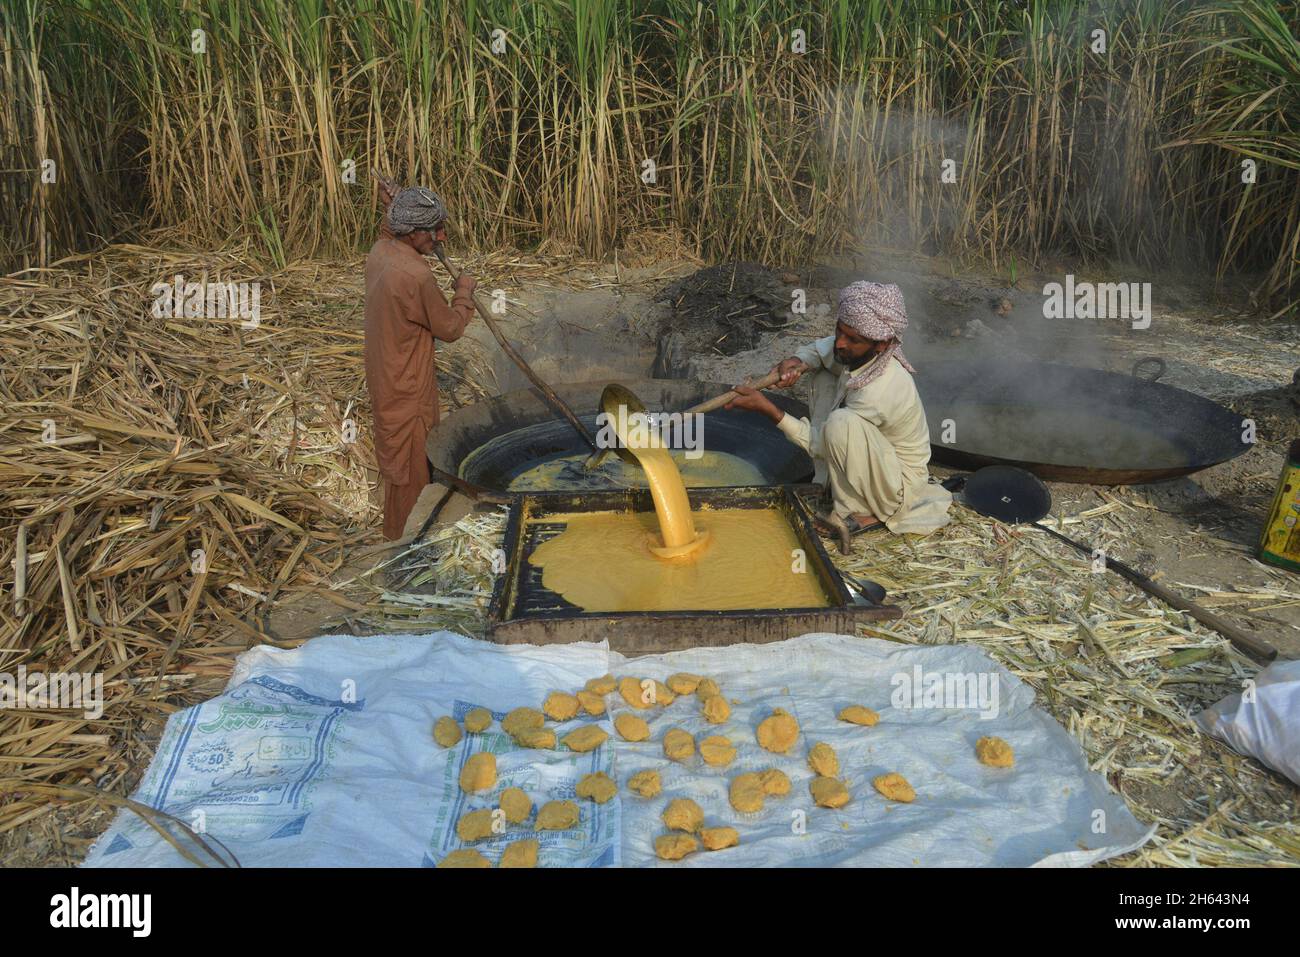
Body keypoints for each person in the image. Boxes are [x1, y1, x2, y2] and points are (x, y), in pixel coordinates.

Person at [726, 281, 951, 544]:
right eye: (839, 331)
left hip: (897, 485)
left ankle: (869, 511)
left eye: (853, 339)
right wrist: (797, 363)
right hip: (874, 459)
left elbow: (819, 444)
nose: (841, 343)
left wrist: (770, 411)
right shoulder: (857, 353)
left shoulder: (881, 390)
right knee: (822, 374)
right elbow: (822, 352)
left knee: (841, 423)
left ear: (882, 344)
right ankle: (828, 486)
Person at [364, 185, 477, 539]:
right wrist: (464, 292)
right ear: (411, 232)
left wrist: (393, 206)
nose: (441, 237)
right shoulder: (417, 276)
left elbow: (388, 230)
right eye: (434, 230)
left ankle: (402, 531)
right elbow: (450, 328)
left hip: (386, 381)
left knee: (398, 463)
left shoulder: (381, 251)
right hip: (409, 390)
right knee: (411, 471)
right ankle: (407, 545)